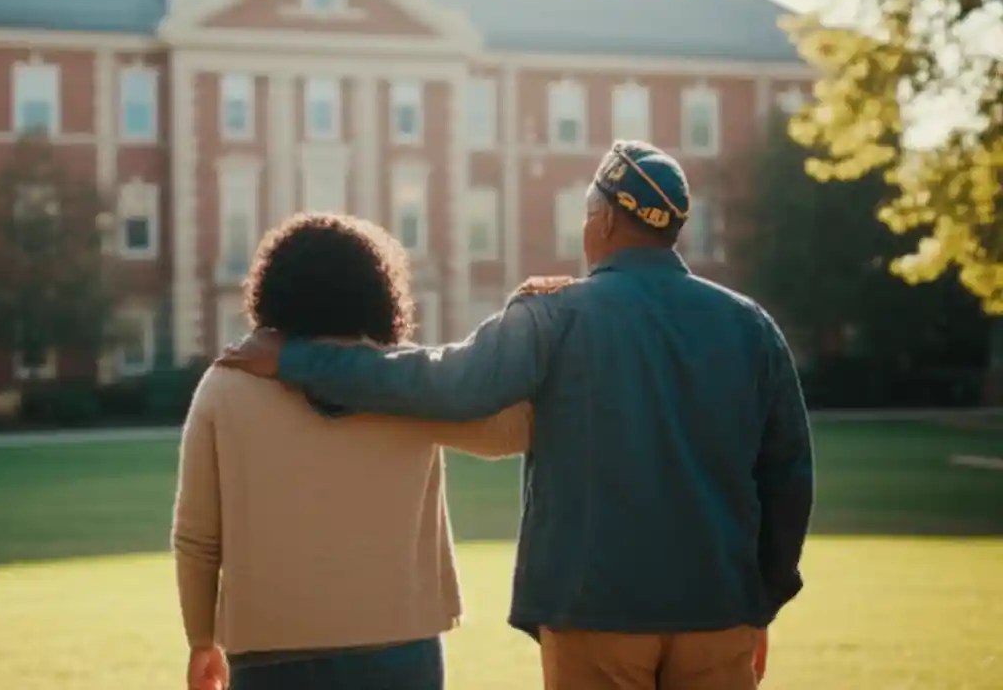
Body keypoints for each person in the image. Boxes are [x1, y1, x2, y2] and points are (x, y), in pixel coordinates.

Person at [219, 141, 815, 690]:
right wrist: (759, 601)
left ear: (604, 219)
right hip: (722, 614)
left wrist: (301, 359)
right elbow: (788, 477)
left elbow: (445, 383)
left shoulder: (557, 315)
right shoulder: (750, 325)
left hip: (594, 611)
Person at [172, 214, 532, 690]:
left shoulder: (225, 385)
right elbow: (511, 432)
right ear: (378, 291)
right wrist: (532, 317)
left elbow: (196, 538)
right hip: (400, 648)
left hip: (269, 653)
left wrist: (201, 640)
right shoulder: (407, 384)